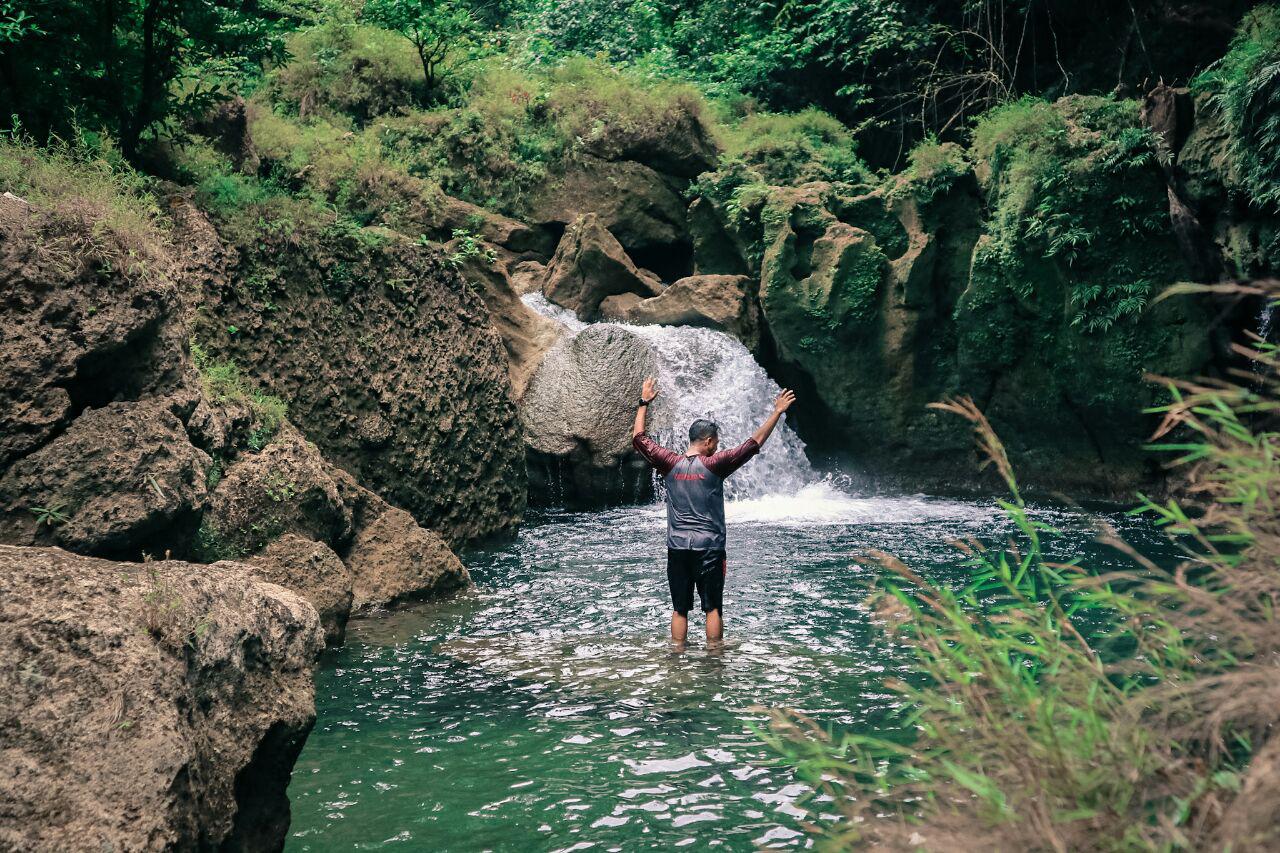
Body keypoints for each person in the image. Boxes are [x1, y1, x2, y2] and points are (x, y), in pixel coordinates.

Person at [631, 377, 797, 644]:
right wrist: (777, 411)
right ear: (707, 442)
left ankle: (677, 658)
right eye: (716, 442)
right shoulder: (716, 464)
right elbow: (753, 443)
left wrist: (643, 403)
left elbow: (638, 439)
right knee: (713, 608)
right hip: (709, 548)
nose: (717, 446)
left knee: (679, 609)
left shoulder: (668, 463)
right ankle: (714, 659)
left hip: (677, 547)